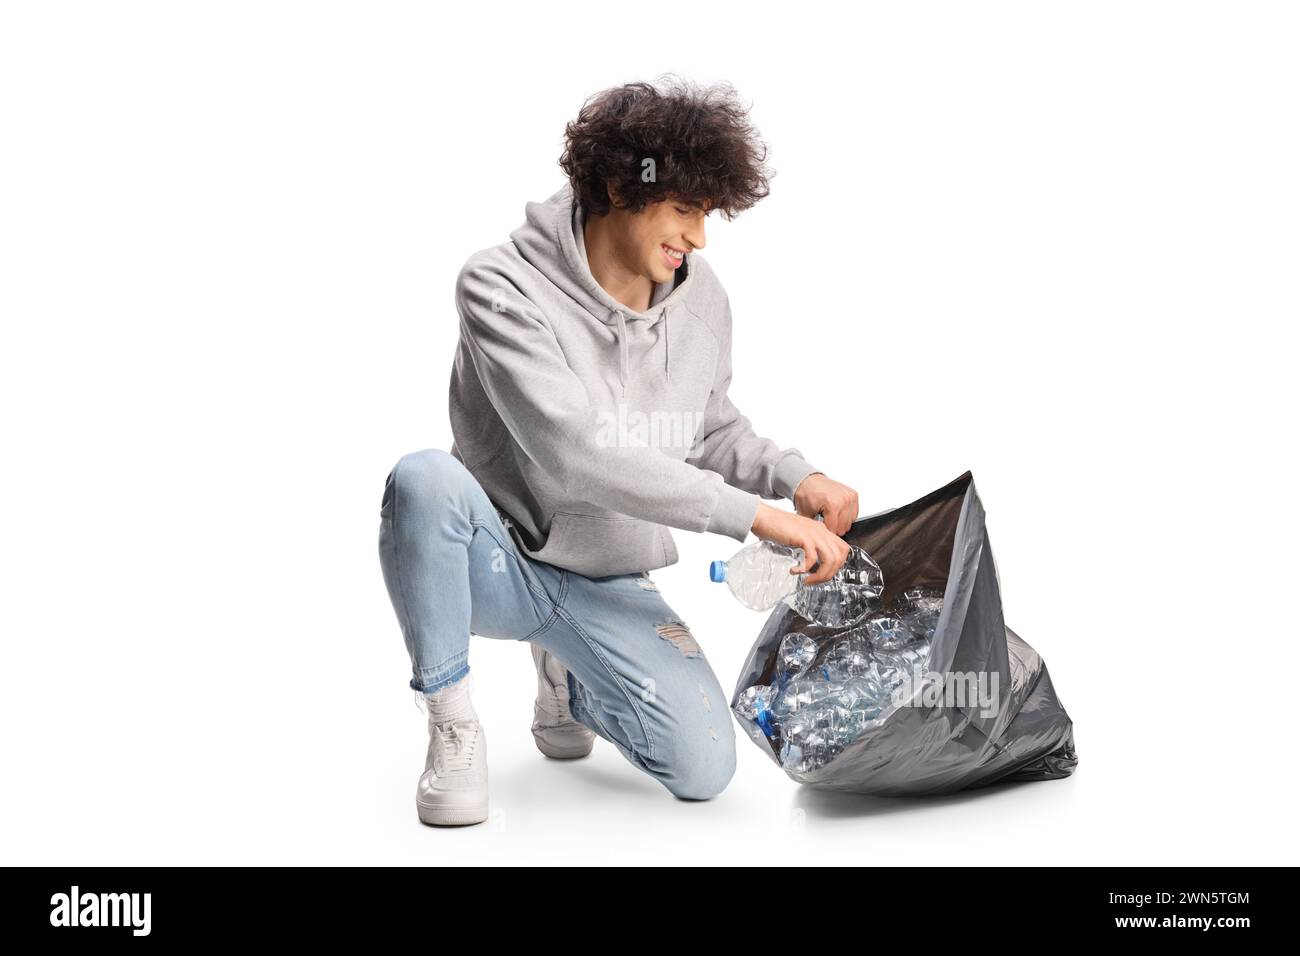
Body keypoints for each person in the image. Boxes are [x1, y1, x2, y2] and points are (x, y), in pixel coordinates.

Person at [378, 77, 859, 826]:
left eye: (706, 214)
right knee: (422, 481)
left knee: (705, 768)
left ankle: (568, 677)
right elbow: (576, 451)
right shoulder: (499, 287)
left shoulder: (699, 296)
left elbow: (705, 428)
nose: (698, 237)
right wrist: (755, 518)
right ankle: (451, 721)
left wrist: (797, 478)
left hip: (607, 575)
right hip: (497, 561)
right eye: (684, 210)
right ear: (616, 185)